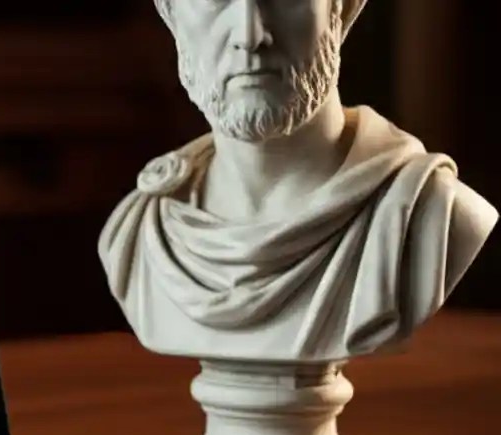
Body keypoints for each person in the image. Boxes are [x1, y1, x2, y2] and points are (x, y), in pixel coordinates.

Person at [99, 0, 497, 362]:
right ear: (170, 14)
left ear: (343, 9)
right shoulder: (143, 232)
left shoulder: (430, 214)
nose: (250, 35)